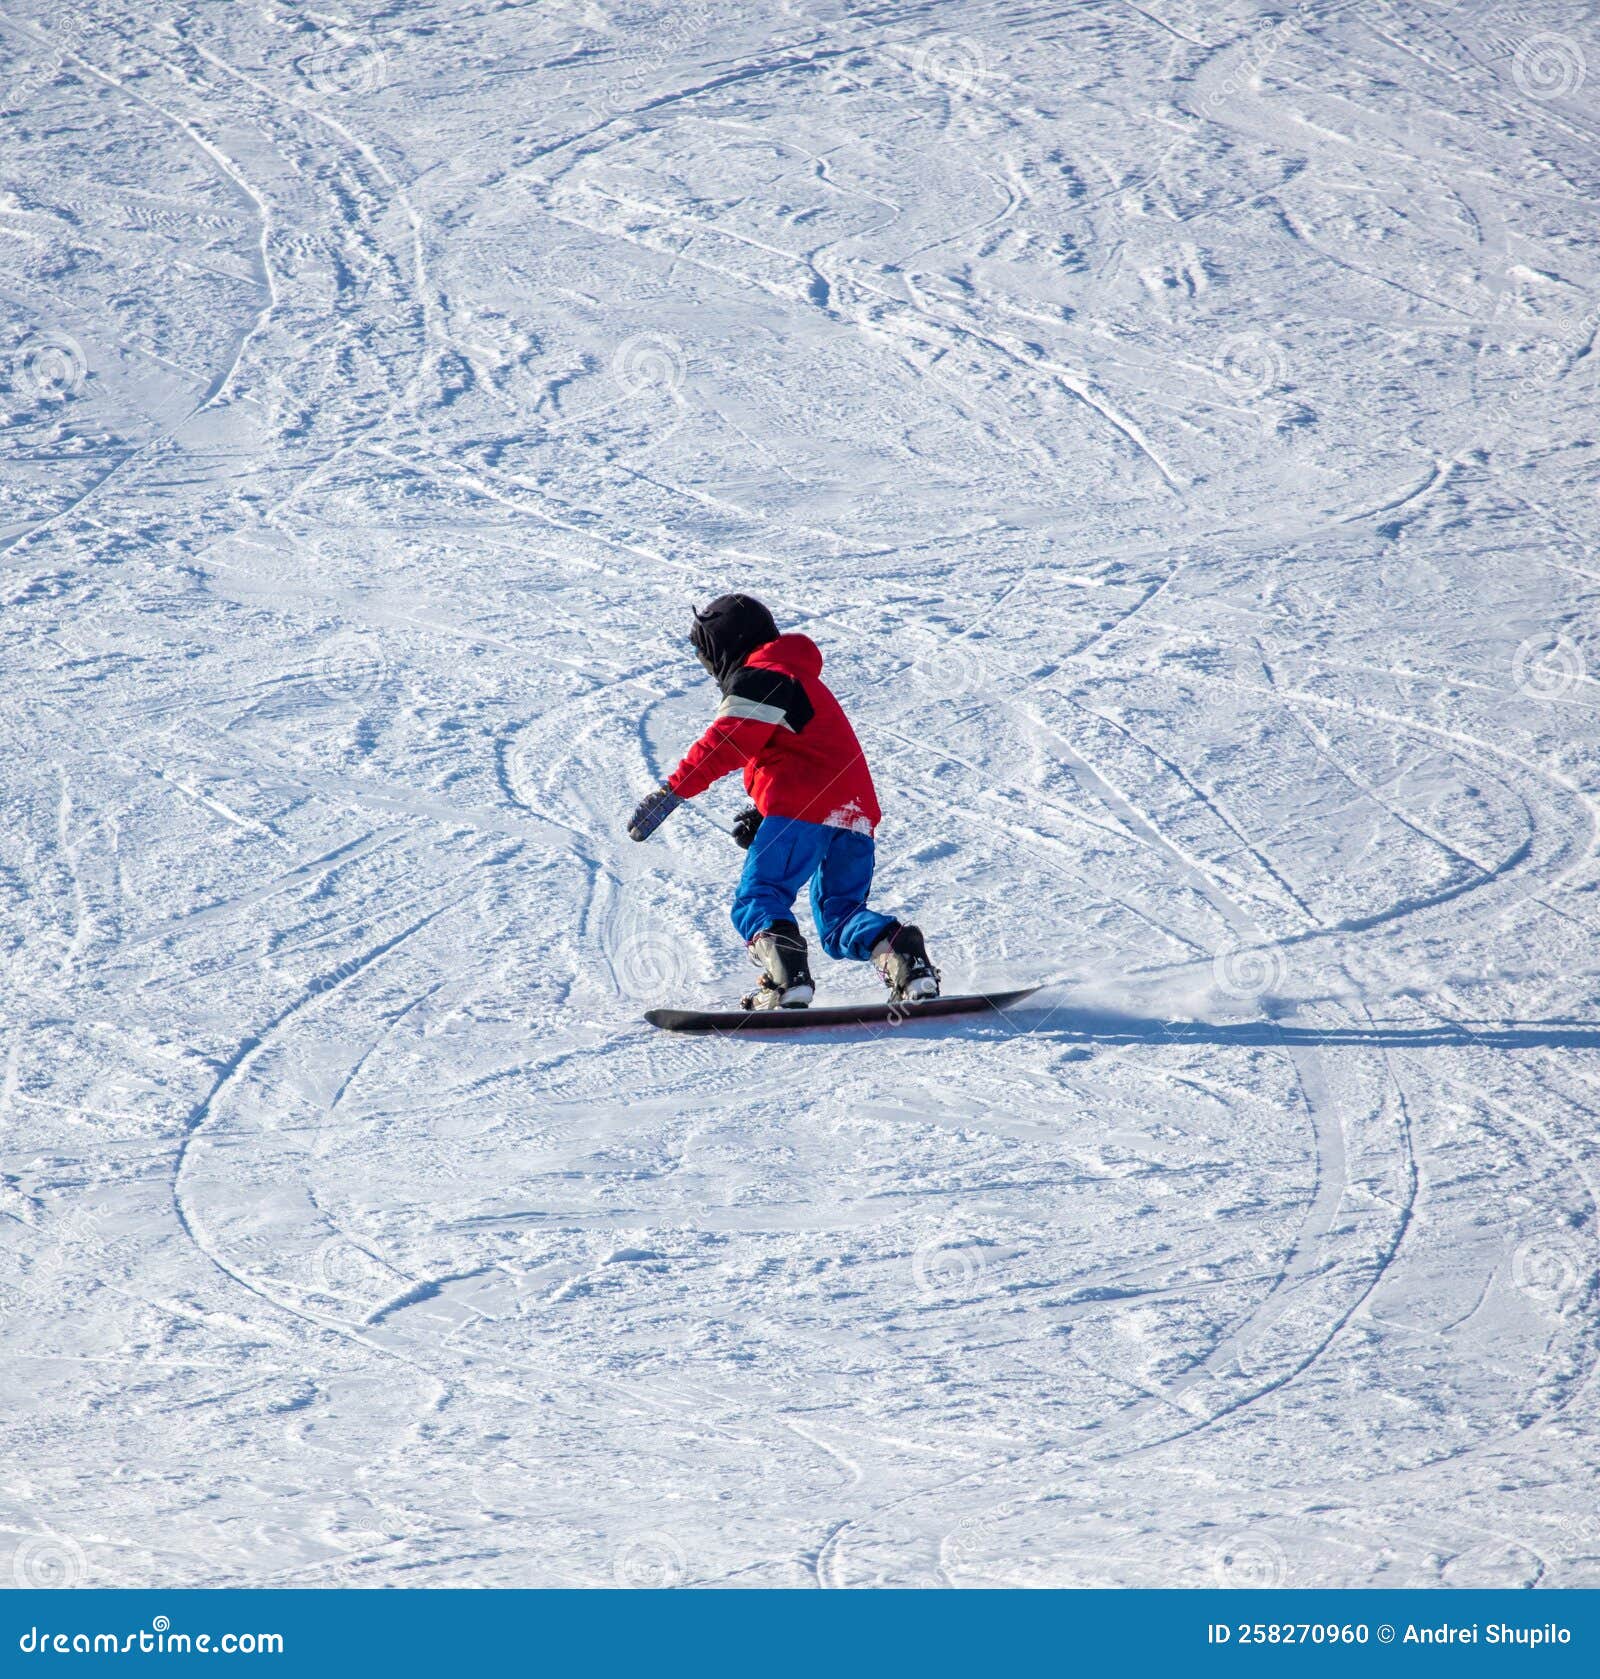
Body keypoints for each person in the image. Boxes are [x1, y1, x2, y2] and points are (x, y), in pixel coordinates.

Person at [627, 593, 940, 1010]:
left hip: (803, 810)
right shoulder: (797, 676)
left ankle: (786, 979)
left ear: (726, 645)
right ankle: (905, 958)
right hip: (854, 814)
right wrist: (766, 809)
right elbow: (811, 753)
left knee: (760, 895)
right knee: (841, 916)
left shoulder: (764, 675)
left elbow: (727, 742)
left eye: (707, 653)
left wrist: (674, 791)